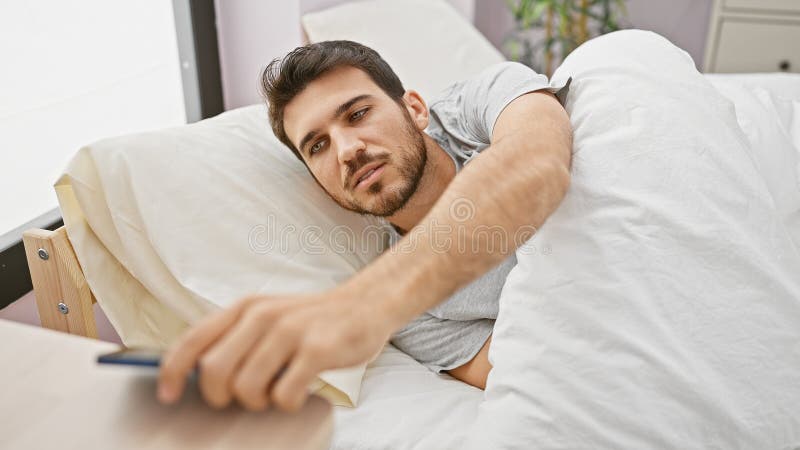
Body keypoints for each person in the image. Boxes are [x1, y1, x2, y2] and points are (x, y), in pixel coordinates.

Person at [157, 40, 573, 412]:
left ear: (414, 108)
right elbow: (539, 371)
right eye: (317, 146)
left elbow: (537, 162)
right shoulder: (412, 319)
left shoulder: (482, 104)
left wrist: (365, 305)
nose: (347, 150)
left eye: (357, 114)